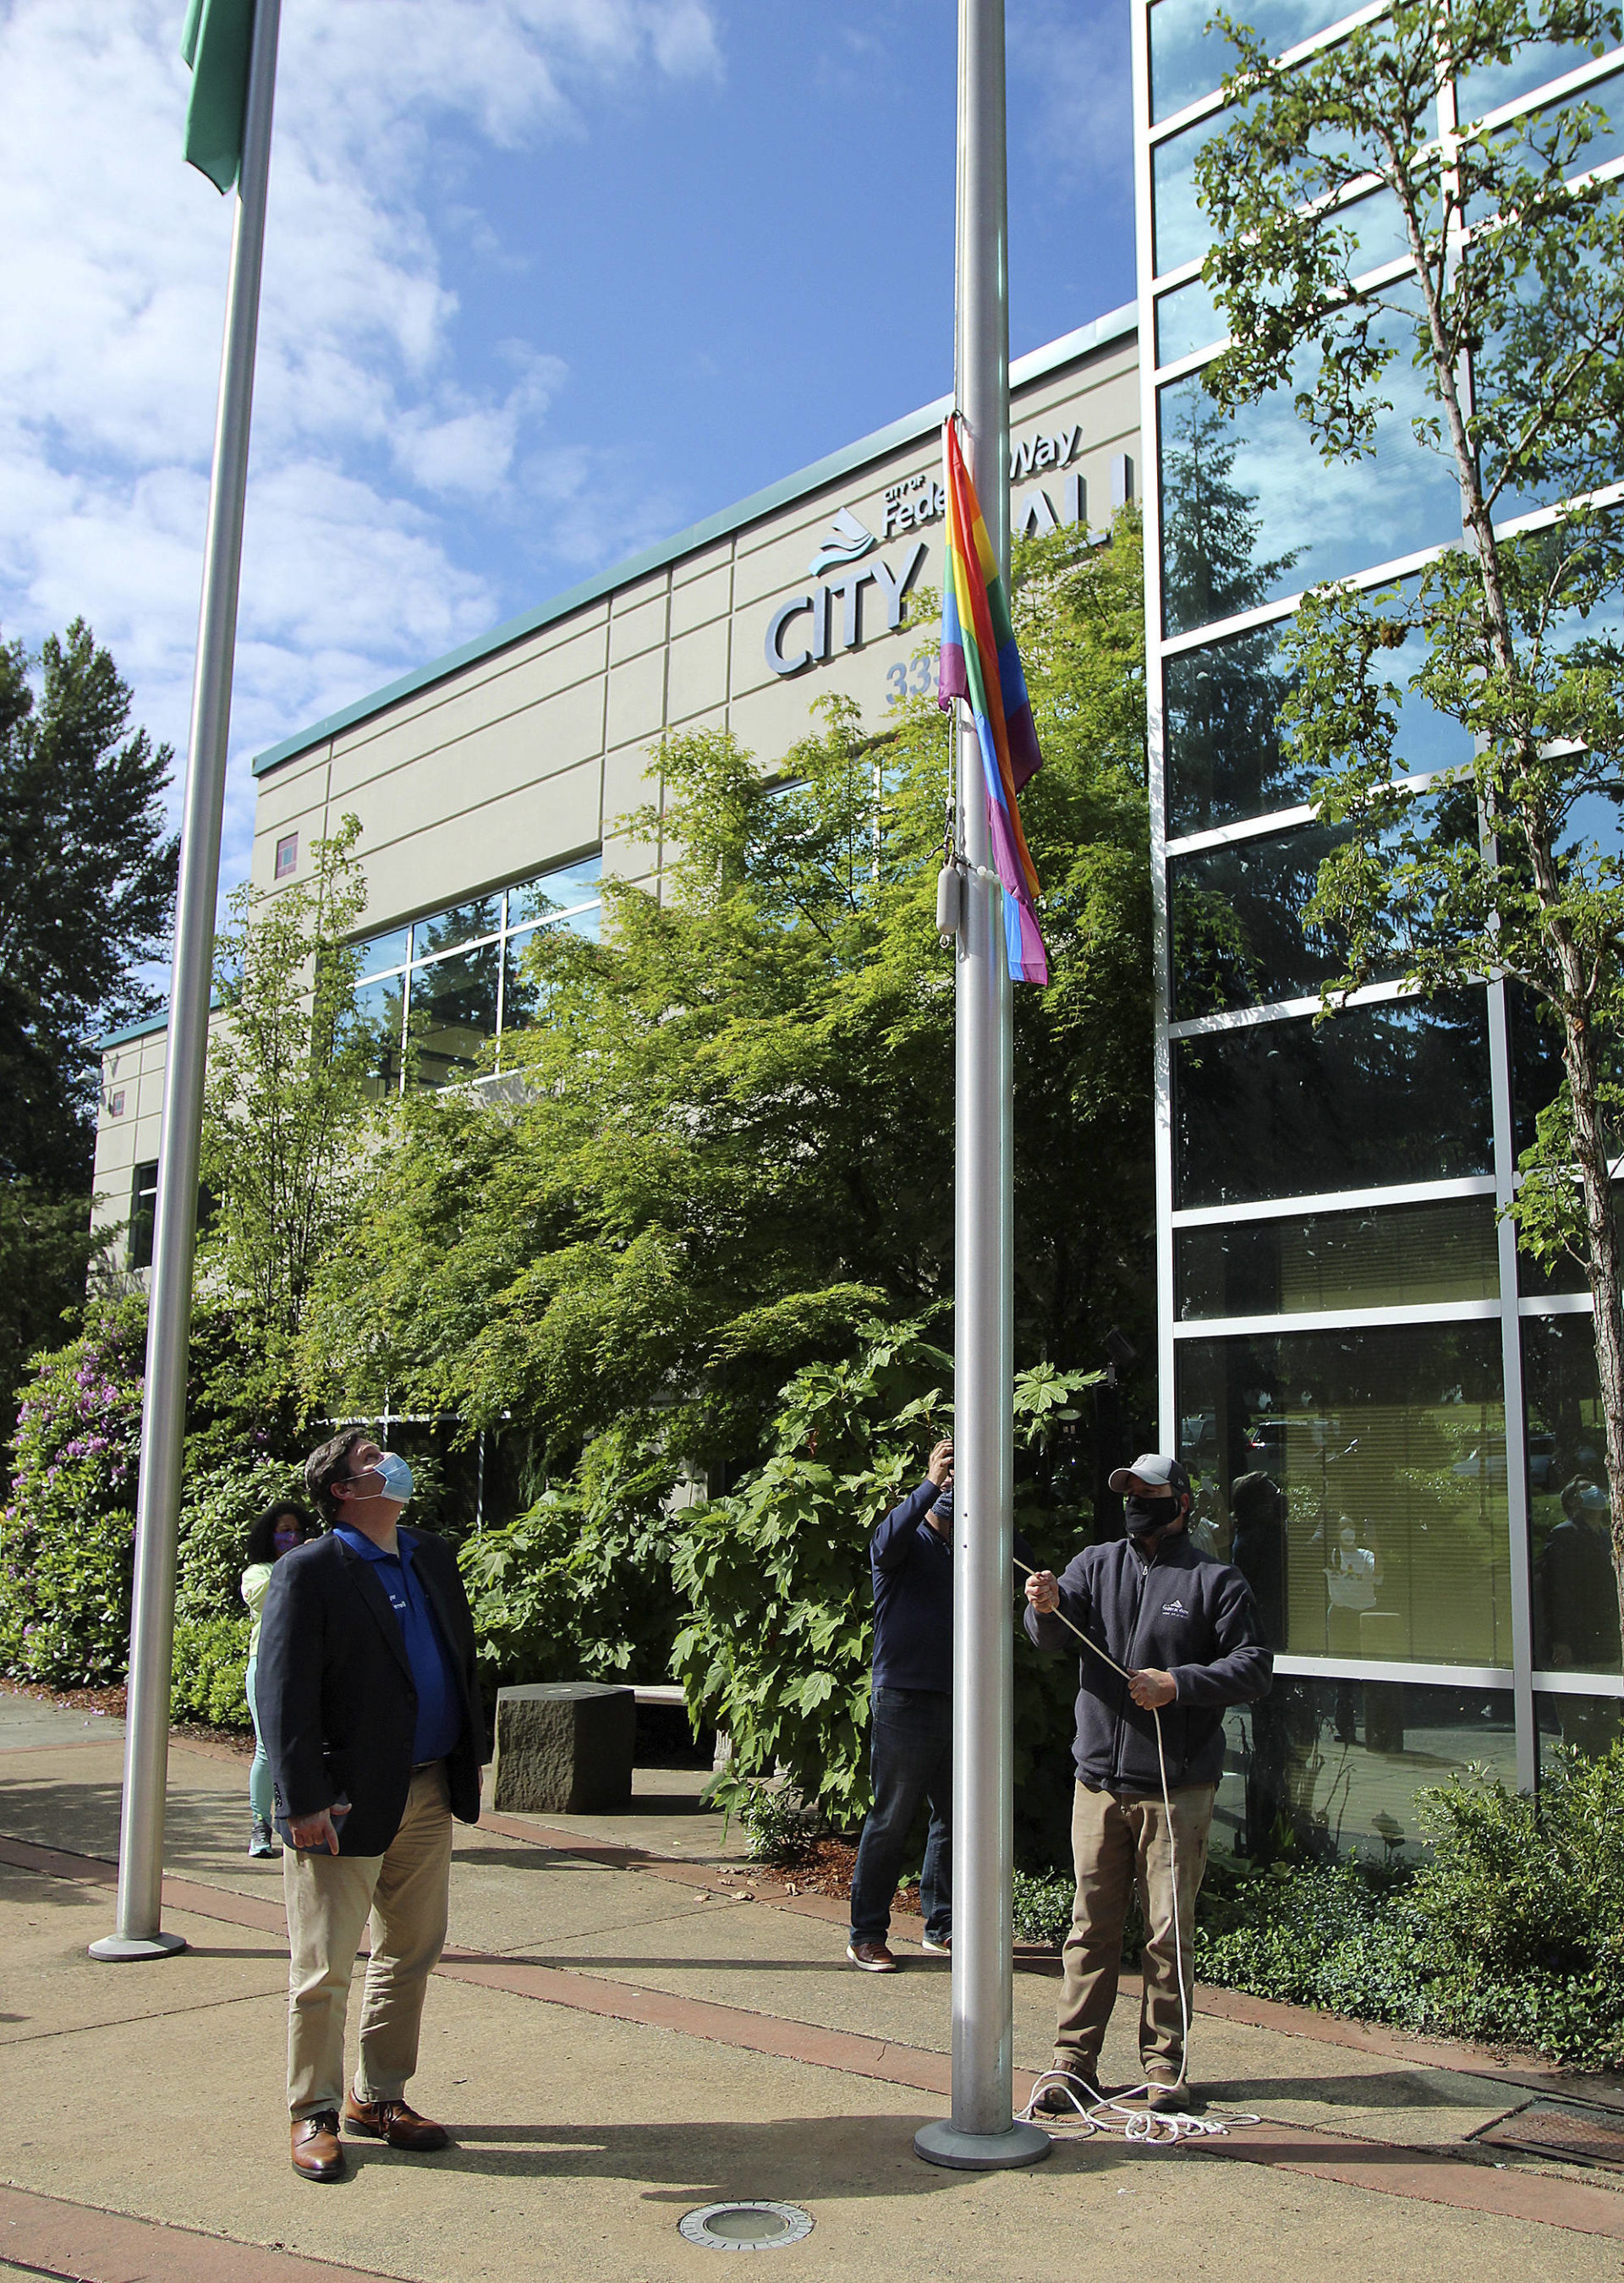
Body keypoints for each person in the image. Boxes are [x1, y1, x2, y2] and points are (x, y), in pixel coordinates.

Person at [257, 1429, 486, 2183]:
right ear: (342, 1493)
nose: (390, 1464)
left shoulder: (431, 1554)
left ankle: (377, 2097)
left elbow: (454, 1657)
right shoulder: (310, 1571)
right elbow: (285, 1695)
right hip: (345, 1803)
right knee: (323, 1969)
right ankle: (312, 2112)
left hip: (426, 1787)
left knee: (410, 1949)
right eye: (369, 1461)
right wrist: (303, 1801)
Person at [1023, 1452, 1271, 2112]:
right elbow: (1049, 1635)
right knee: (1090, 1927)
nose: (1135, 1499)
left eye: (1149, 1491)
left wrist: (1179, 1684)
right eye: (1127, 1488)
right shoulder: (1093, 1564)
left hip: (1177, 1788)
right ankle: (1071, 2063)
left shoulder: (1215, 1579)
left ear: (1182, 1502)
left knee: (1167, 1932)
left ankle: (1165, 2066)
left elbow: (1254, 1666)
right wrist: (1045, 1606)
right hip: (1098, 1782)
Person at [846, 1438, 1034, 1973]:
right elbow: (884, 1542)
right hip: (905, 1696)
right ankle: (867, 1933)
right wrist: (931, 1481)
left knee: (956, 1816)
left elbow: (1023, 1564)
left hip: (967, 1696)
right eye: (948, 1495)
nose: (953, 1502)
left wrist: (990, 1503)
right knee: (892, 1815)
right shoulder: (904, 1543)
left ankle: (943, 1925)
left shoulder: (975, 1548)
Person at [241, 1500, 316, 1858]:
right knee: (266, 1749)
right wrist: (293, 1562)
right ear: (270, 1536)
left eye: (297, 1531)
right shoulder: (258, 1572)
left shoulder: (312, 1565)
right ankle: (261, 1825)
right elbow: (262, 1598)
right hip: (266, 1664)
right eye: (284, 1531)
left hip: (308, 1665)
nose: (292, 1537)